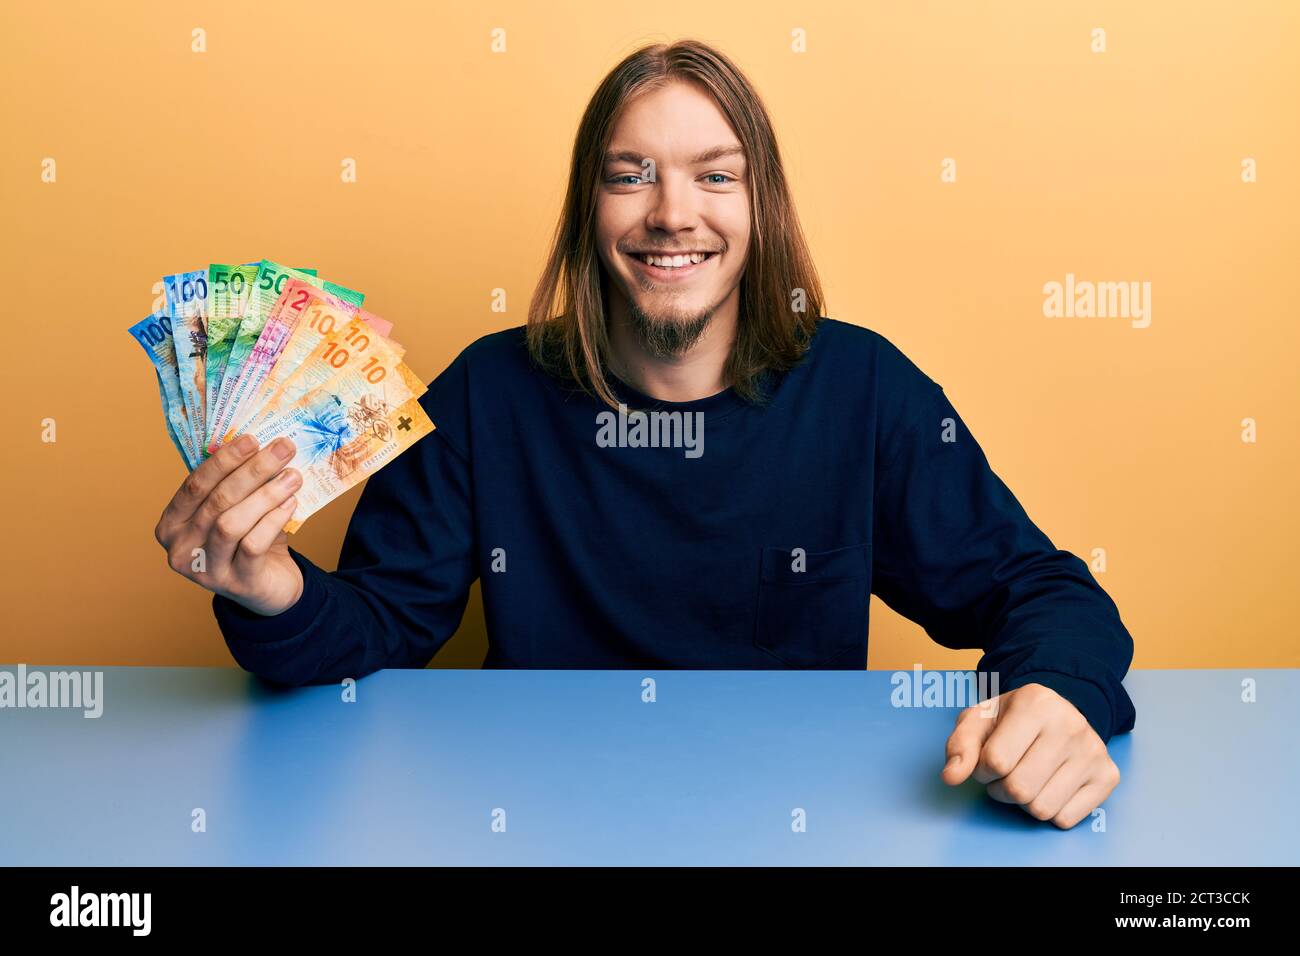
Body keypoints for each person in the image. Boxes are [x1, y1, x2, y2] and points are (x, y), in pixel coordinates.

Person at [154, 40, 1132, 829]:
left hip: (798, 824)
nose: (673, 214)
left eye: (715, 175)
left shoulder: (863, 386)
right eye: (631, 176)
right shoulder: (487, 394)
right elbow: (372, 631)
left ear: (762, 206)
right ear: (589, 209)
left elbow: (1042, 588)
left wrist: (1059, 690)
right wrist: (270, 592)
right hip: (535, 822)